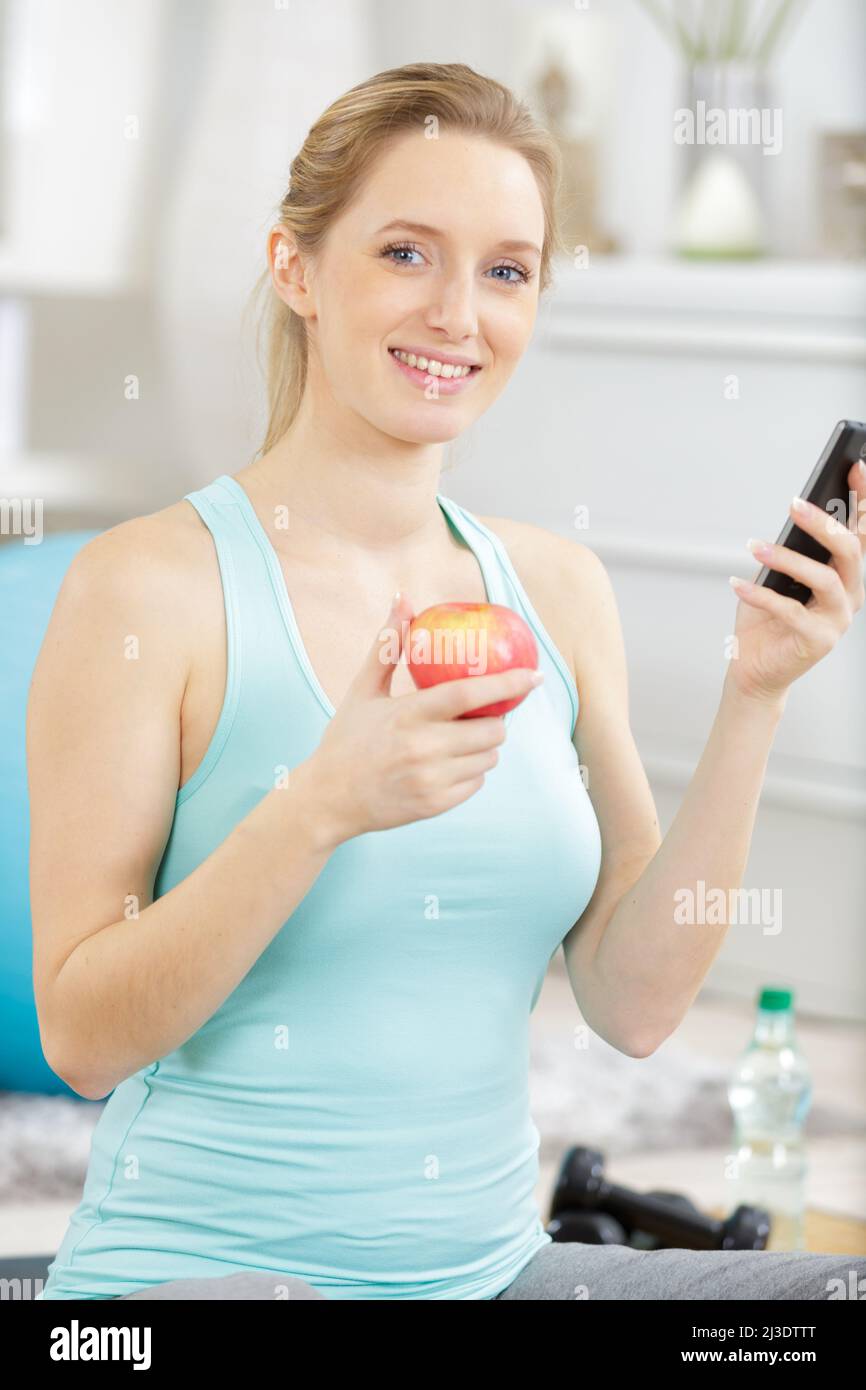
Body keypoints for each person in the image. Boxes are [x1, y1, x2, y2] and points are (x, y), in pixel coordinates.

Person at [28, 62, 866, 1302]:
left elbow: (634, 1005)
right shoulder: (146, 586)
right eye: (406, 252)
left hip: (489, 1277)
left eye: (507, 269)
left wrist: (755, 697)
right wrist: (319, 805)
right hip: (198, 1279)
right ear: (297, 269)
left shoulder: (557, 588)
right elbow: (84, 1038)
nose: (458, 315)